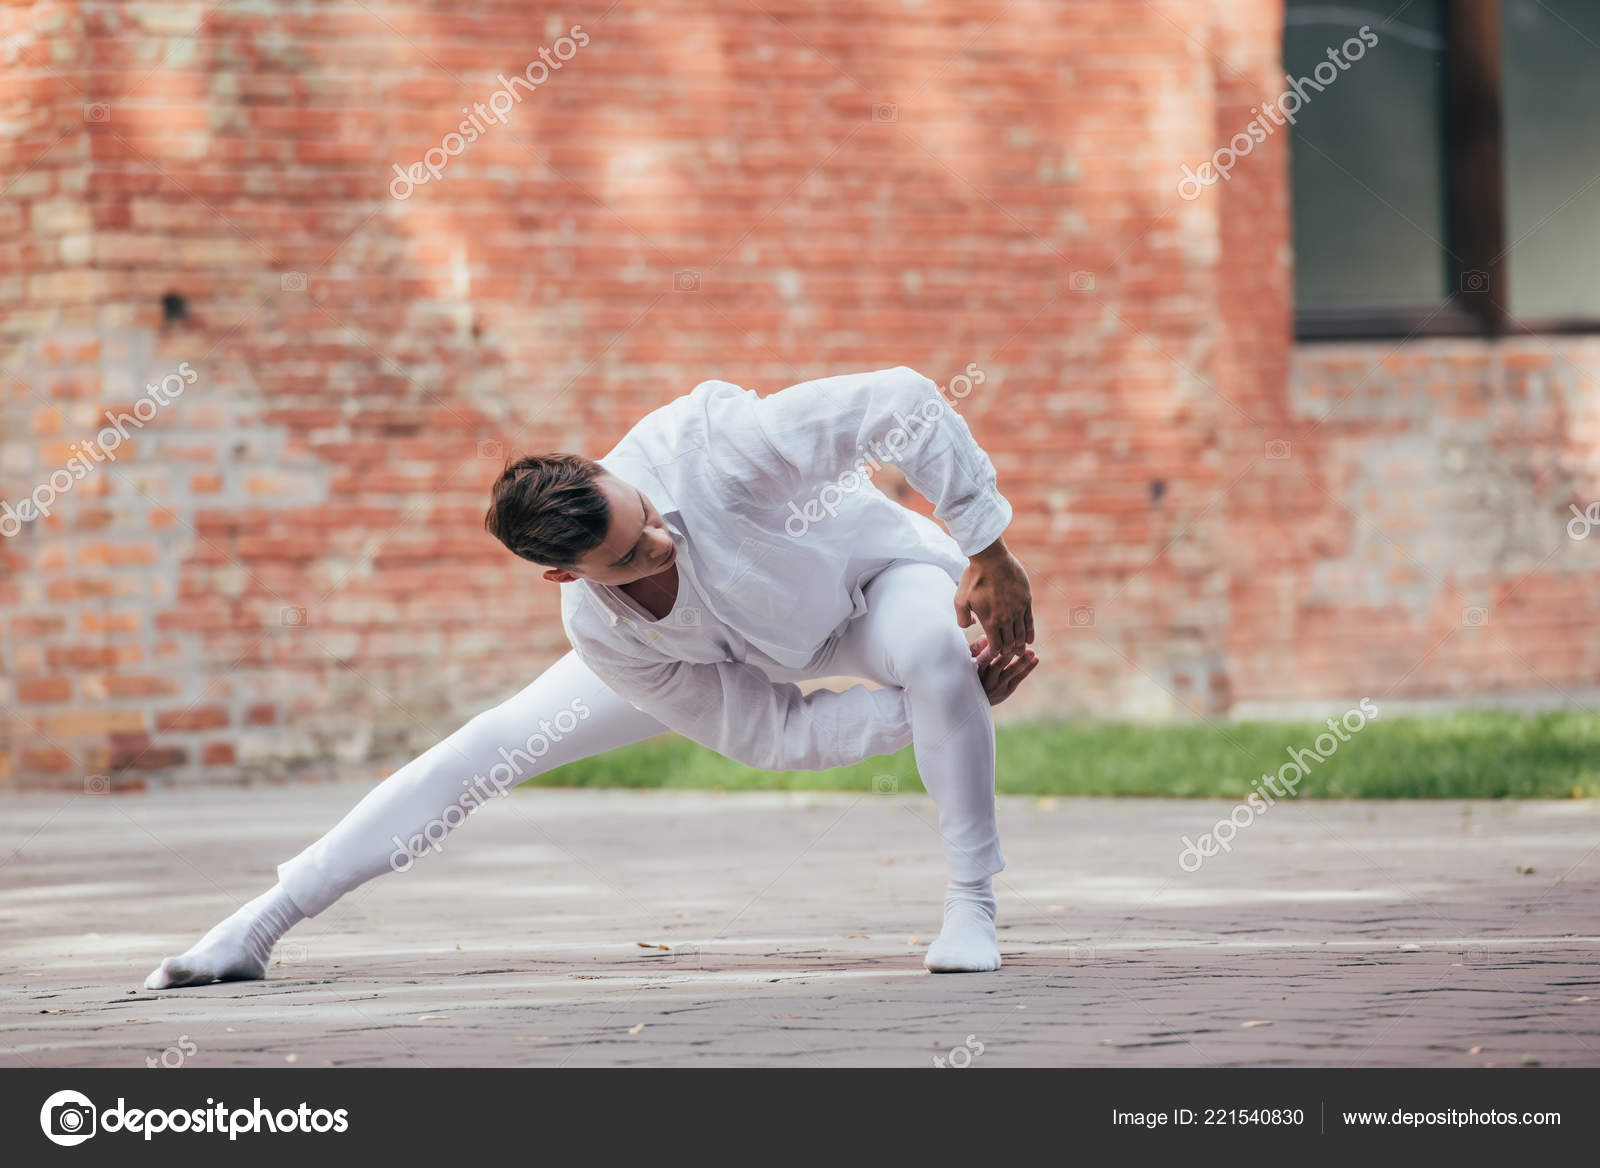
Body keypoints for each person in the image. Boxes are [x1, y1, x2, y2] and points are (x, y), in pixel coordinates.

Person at [143, 365, 1037, 989]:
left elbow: (903, 403)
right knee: (480, 749)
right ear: (567, 576)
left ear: (611, 472)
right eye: (626, 558)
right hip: (712, 657)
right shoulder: (607, 631)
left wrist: (985, 548)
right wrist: (910, 716)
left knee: (931, 654)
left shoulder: (711, 443)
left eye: (642, 518)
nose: (659, 543)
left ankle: (972, 906)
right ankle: (254, 928)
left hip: (872, 590)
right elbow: (770, 734)